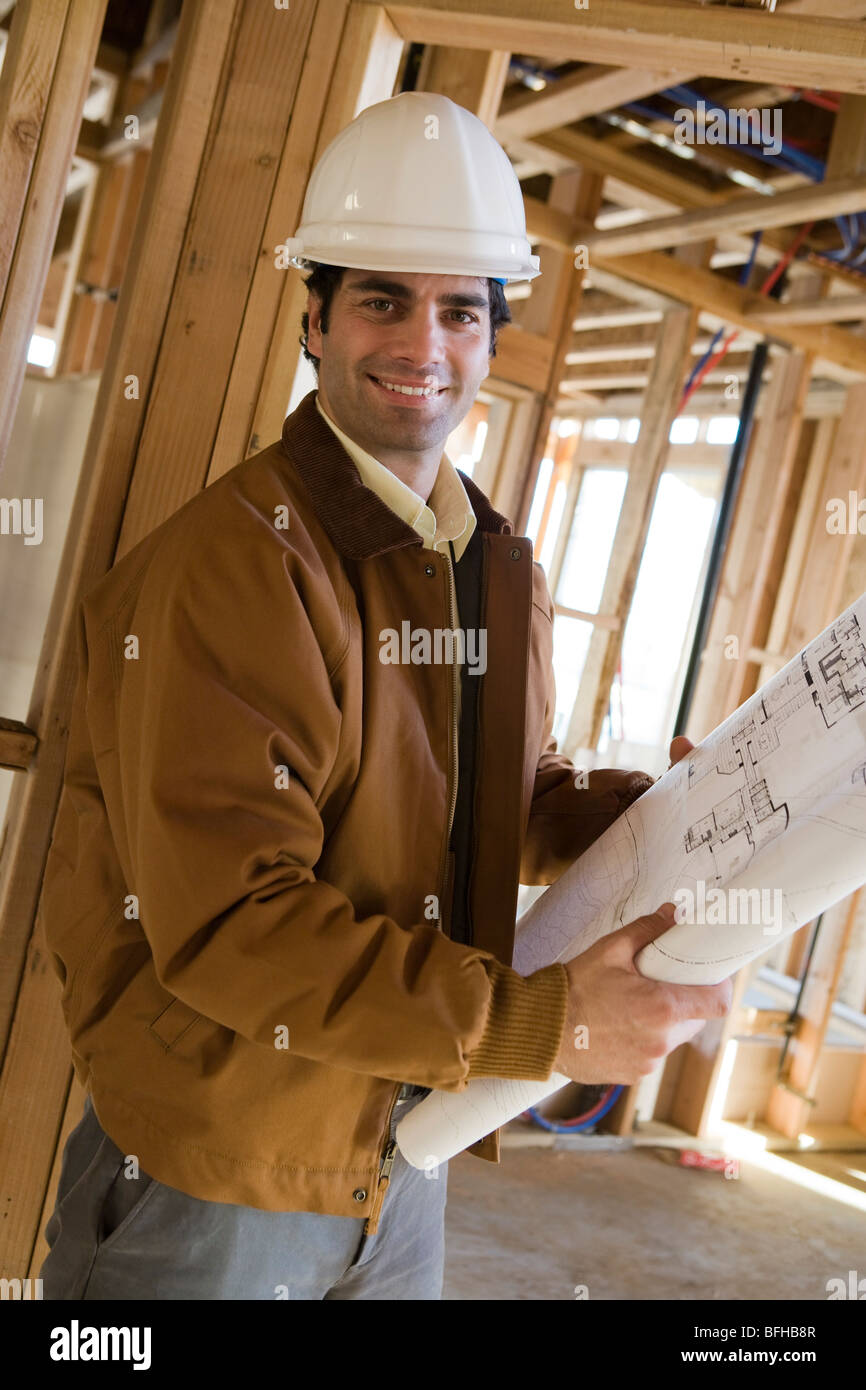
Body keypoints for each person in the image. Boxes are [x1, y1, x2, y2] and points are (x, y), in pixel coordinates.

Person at [38, 91, 731, 1301]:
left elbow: (489, 799)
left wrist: (666, 813)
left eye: (459, 310)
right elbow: (236, 922)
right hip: (221, 1175)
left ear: (488, 339)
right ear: (312, 318)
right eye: (380, 300)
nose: (422, 344)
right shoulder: (236, 565)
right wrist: (547, 1027)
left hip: (399, 1153)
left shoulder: (488, 558)